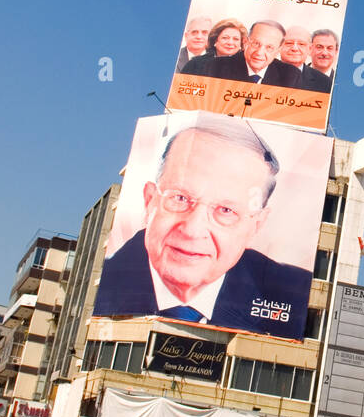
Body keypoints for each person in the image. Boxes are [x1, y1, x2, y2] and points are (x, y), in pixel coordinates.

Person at [92, 114, 310, 338]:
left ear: (256, 225)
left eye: (226, 211)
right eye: (180, 198)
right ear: (149, 200)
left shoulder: (291, 294)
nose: (193, 230)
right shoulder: (107, 289)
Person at [208, 20, 300, 88]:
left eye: (269, 47)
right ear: (245, 42)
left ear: (278, 50)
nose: (259, 53)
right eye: (256, 44)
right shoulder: (217, 67)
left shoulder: (290, 75)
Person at [180, 18, 245, 76]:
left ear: (241, 43)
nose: (230, 43)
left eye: (236, 39)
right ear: (215, 40)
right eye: (225, 38)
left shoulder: (246, 67)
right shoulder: (195, 64)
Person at [299, 29, 339, 93]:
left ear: (336, 52)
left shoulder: (340, 83)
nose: (324, 53)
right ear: (310, 49)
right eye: (319, 47)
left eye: (329, 48)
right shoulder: (295, 77)